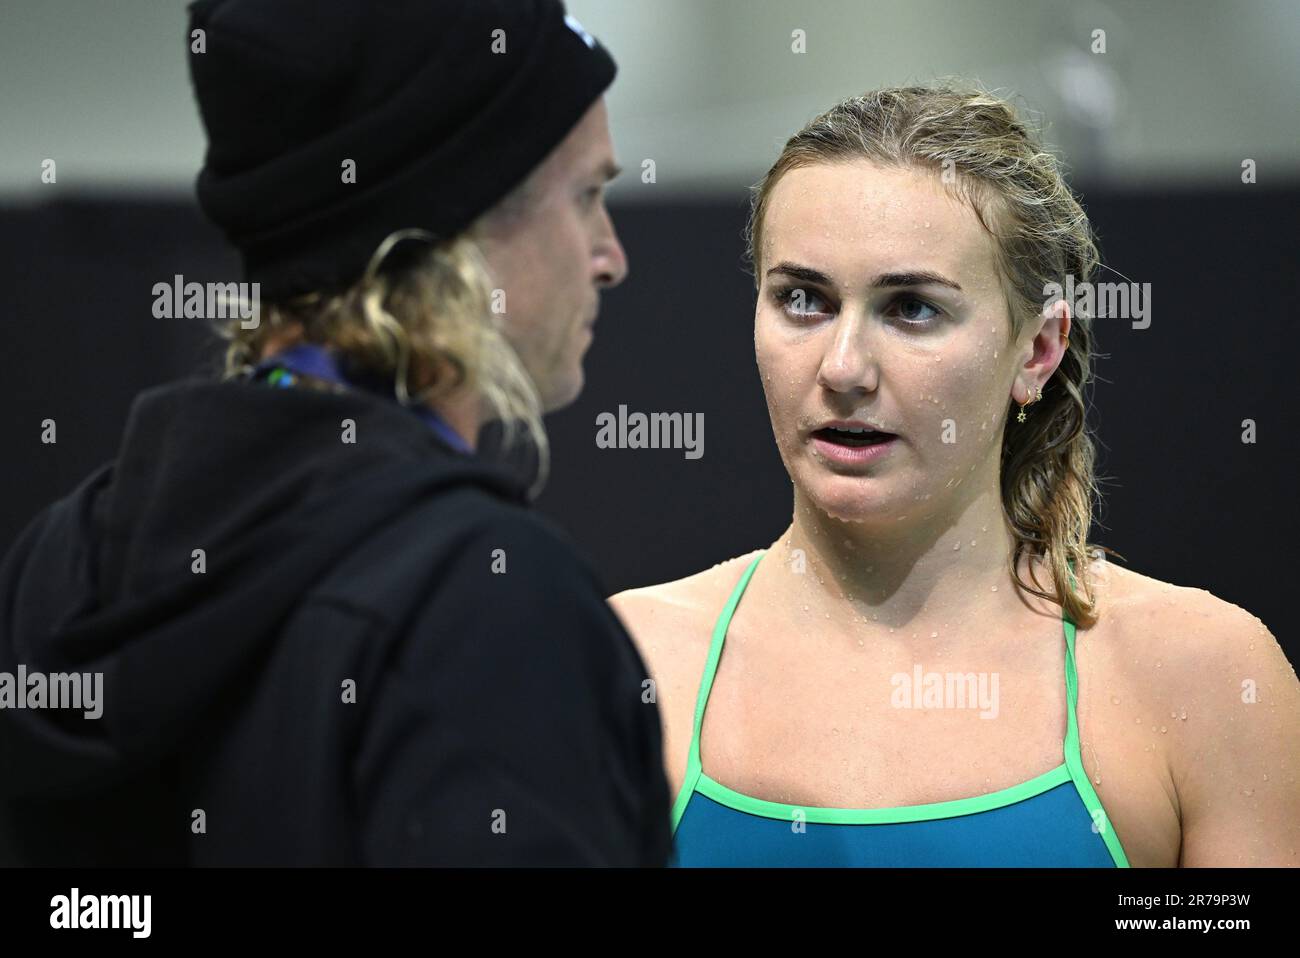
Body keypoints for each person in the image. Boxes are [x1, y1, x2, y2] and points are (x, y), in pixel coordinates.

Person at [0, 0, 672, 867]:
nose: (609, 254)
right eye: (585, 196)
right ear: (453, 236)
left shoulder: (62, 570)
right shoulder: (483, 601)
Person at [610, 83, 1300, 867]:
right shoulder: (628, 662)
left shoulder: (1201, 677)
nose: (843, 368)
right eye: (803, 300)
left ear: (1037, 350)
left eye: (912, 308)